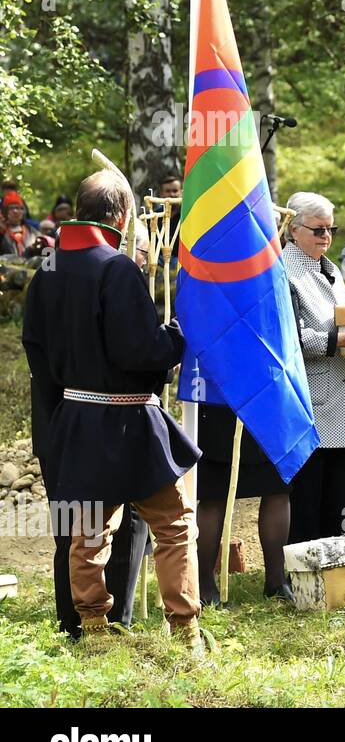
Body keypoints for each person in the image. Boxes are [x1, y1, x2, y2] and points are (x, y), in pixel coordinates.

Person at [22, 171, 206, 653]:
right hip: (129, 419)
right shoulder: (117, 268)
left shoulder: (49, 266)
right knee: (173, 525)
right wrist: (175, 337)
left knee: (87, 533)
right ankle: (186, 633)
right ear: (121, 216)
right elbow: (140, 353)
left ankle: (95, 631)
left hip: (76, 419)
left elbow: (35, 348)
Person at [283, 191, 345, 544]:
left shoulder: (331, 268)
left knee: (340, 484)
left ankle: (339, 553)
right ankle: (304, 558)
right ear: (294, 230)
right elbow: (288, 338)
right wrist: (338, 340)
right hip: (309, 393)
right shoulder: (283, 271)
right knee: (309, 486)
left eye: (331, 230)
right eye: (318, 230)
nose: (326, 237)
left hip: (340, 392)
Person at [195, 403, 292, 602]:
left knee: (277, 488)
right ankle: (203, 585)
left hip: (268, 399)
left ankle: (277, 581)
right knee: (213, 494)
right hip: (220, 399)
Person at [2, 191, 42, 257]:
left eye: (19, 208)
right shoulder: (2, 231)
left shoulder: (32, 232)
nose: (15, 211)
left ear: (23, 212)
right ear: (6, 212)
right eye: (11, 208)